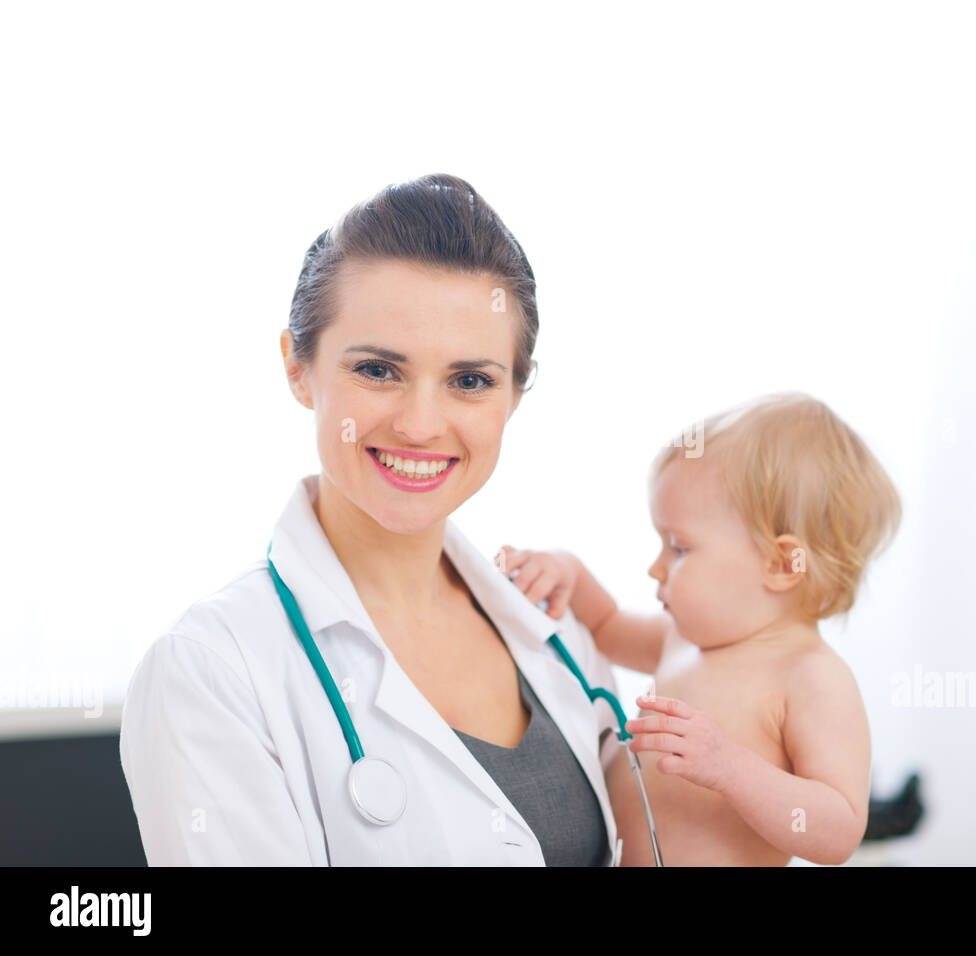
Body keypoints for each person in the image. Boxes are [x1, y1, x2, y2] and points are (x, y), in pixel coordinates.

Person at [119, 174, 622, 866]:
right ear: (298, 368)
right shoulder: (211, 669)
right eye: (380, 370)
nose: (419, 425)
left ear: (514, 394)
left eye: (470, 381)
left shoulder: (555, 626)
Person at [498, 392, 902, 865]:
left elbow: (837, 831)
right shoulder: (683, 640)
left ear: (779, 563)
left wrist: (729, 767)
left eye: (679, 548)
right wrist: (568, 570)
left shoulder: (812, 679)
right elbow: (607, 627)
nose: (656, 568)